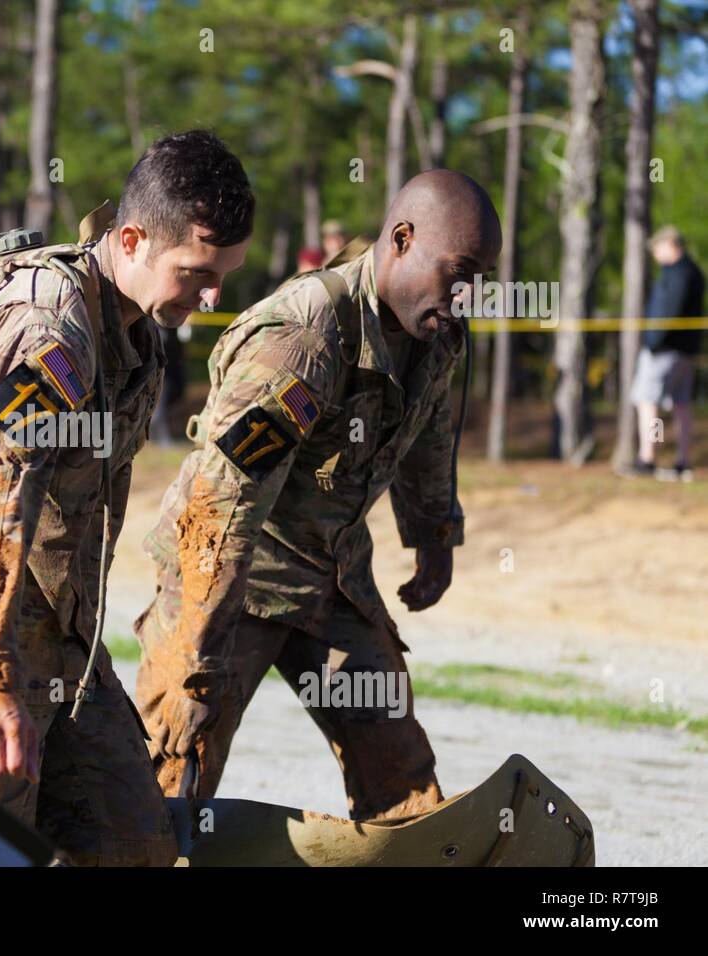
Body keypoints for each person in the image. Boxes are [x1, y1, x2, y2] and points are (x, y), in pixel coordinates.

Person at [0, 130, 255, 865]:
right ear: (131, 238)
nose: (212, 295)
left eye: (223, 276)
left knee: (136, 844)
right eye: (197, 272)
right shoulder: (48, 332)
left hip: (62, 649)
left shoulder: (137, 332)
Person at [134, 169, 501, 822]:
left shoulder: (436, 335)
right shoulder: (304, 335)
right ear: (403, 238)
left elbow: (428, 440)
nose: (469, 295)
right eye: (460, 271)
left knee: (401, 778)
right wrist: (194, 648)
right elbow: (220, 504)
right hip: (232, 581)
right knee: (172, 775)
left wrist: (434, 539)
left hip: (331, 578)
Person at [629, 225, 703, 481]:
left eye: (657, 248)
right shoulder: (691, 271)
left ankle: (648, 457)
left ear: (670, 243)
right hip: (684, 350)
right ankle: (682, 461)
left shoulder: (678, 273)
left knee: (647, 400)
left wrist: (653, 341)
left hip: (665, 350)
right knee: (681, 405)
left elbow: (669, 309)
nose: (655, 255)